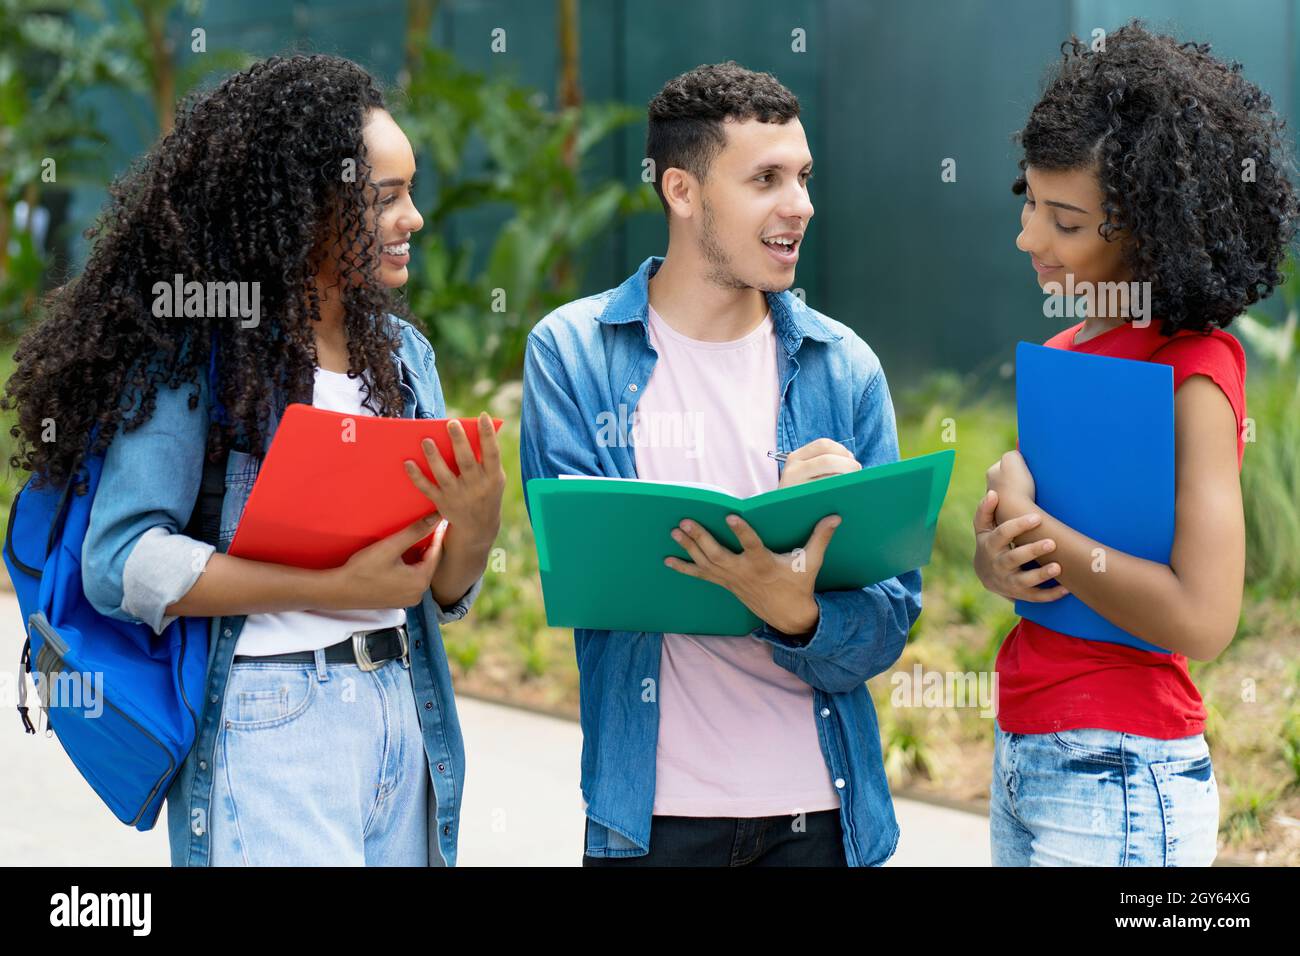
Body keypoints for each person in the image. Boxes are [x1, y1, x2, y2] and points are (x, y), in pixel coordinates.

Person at [2, 54, 505, 866]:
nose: (412, 218)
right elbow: (122, 561)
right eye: (384, 199)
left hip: (402, 711)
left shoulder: (404, 357)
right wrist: (330, 588)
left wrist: (477, 524)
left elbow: (439, 590)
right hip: (272, 721)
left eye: (412, 191)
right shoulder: (203, 356)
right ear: (305, 208)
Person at [520, 61, 921, 866]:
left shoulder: (845, 368)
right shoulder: (573, 354)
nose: (799, 204)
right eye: (766, 178)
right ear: (682, 191)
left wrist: (798, 613)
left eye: (803, 177)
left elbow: (889, 622)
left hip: (822, 814)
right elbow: (592, 579)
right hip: (652, 815)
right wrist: (769, 526)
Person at [973, 22, 1297, 866]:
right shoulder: (1071, 351)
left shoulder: (1192, 373)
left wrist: (1036, 524)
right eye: (1030, 205)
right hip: (1029, 752)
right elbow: (1054, 567)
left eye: (1066, 222)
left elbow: (1204, 616)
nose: (1028, 240)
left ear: (1150, 231)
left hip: (1122, 771)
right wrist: (1001, 554)